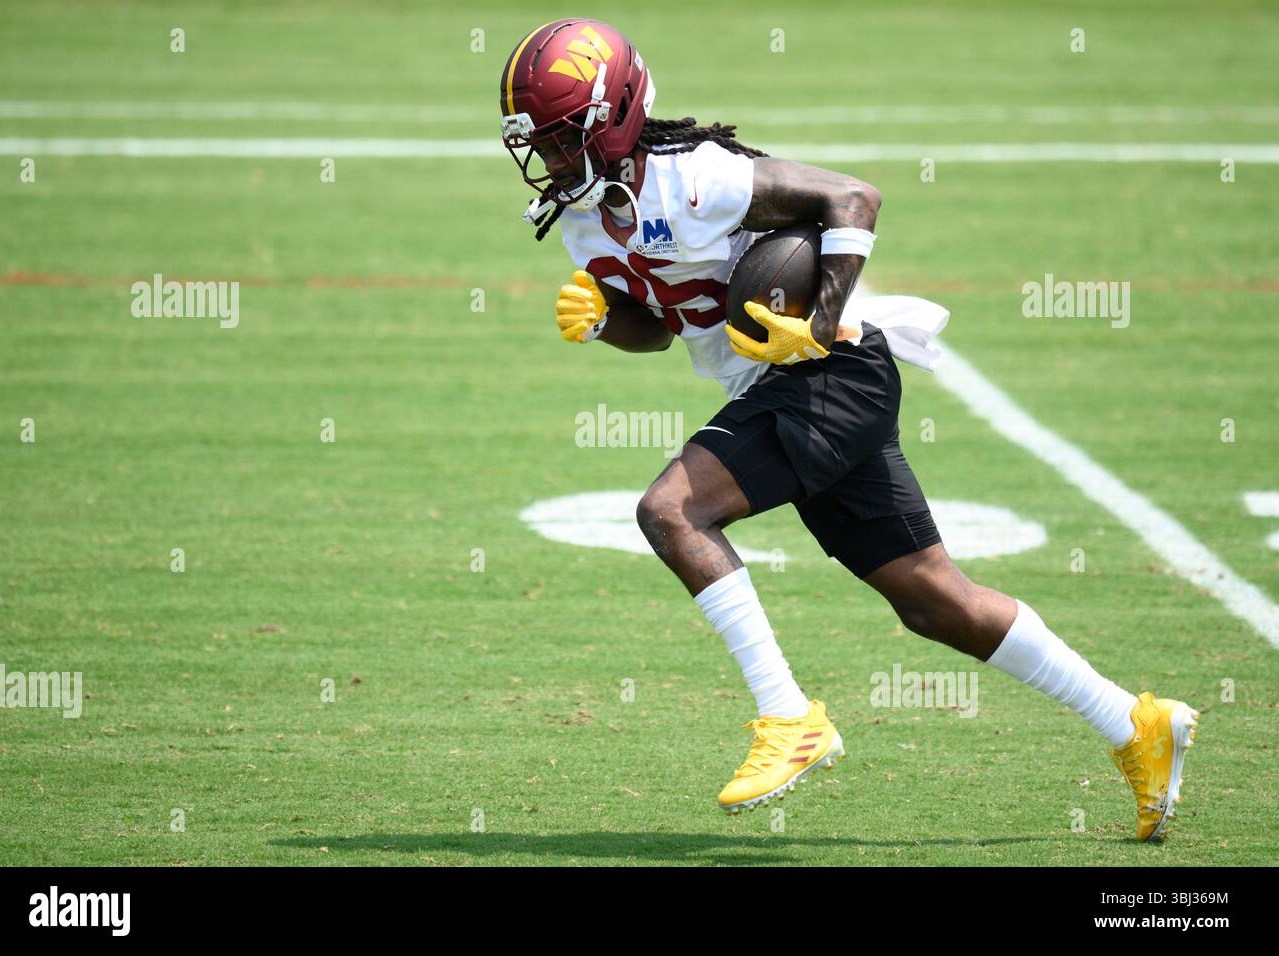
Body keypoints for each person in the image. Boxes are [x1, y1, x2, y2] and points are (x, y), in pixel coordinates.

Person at [499, 18, 1198, 840]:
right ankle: (1136, 724)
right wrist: (605, 321)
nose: (551, 159)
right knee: (935, 602)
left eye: (563, 138)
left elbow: (853, 198)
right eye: (538, 143)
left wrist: (822, 322)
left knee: (672, 511)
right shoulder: (583, 221)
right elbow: (658, 328)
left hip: (832, 371)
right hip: (789, 387)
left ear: (616, 117)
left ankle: (787, 716)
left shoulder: (695, 178)